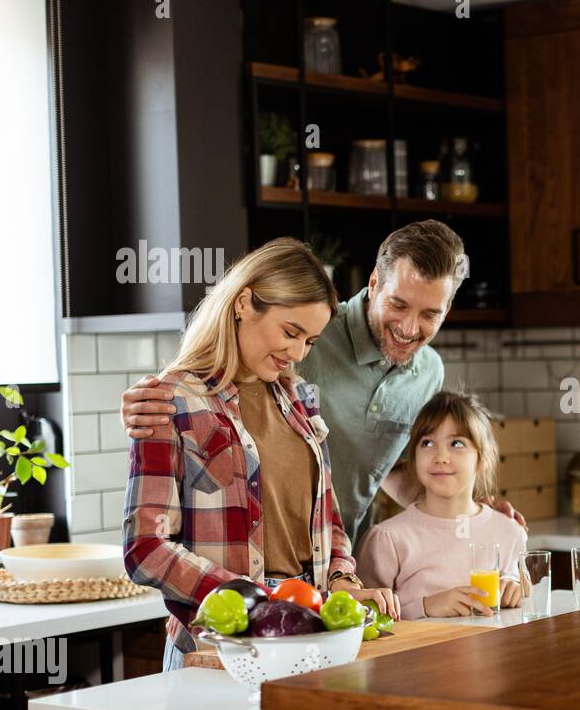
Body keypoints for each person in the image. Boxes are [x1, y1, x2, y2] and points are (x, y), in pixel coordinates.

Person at [119, 220, 525, 548]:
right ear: (374, 283)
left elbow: (389, 471)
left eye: (429, 314)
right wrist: (161, 400)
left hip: (339, 562)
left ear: (448, 308)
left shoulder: (429, 372)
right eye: (398, 305)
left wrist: (468, 510)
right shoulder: (307, 337)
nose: (408, 328)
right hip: (254, 564)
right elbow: (215, 387)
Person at [121, 238, 397, 671]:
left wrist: (342, 579)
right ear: (244, 303)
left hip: (308, 631)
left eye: (310, 341)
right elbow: (145, 548)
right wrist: (255, 600)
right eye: (290, 332)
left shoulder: (301, 401)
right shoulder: (169, 401)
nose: (297, 353)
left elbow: (328, 519)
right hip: (219, 648)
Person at [355, 390, 527, 619]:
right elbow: (366, 617)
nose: (441, 457)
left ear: (483, 459)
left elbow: (525, 601)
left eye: (457, 443)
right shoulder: (387, 539)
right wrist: (424, 607)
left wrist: (515, 587)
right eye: (427, 443)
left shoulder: (509, 531)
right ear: (413, 458)